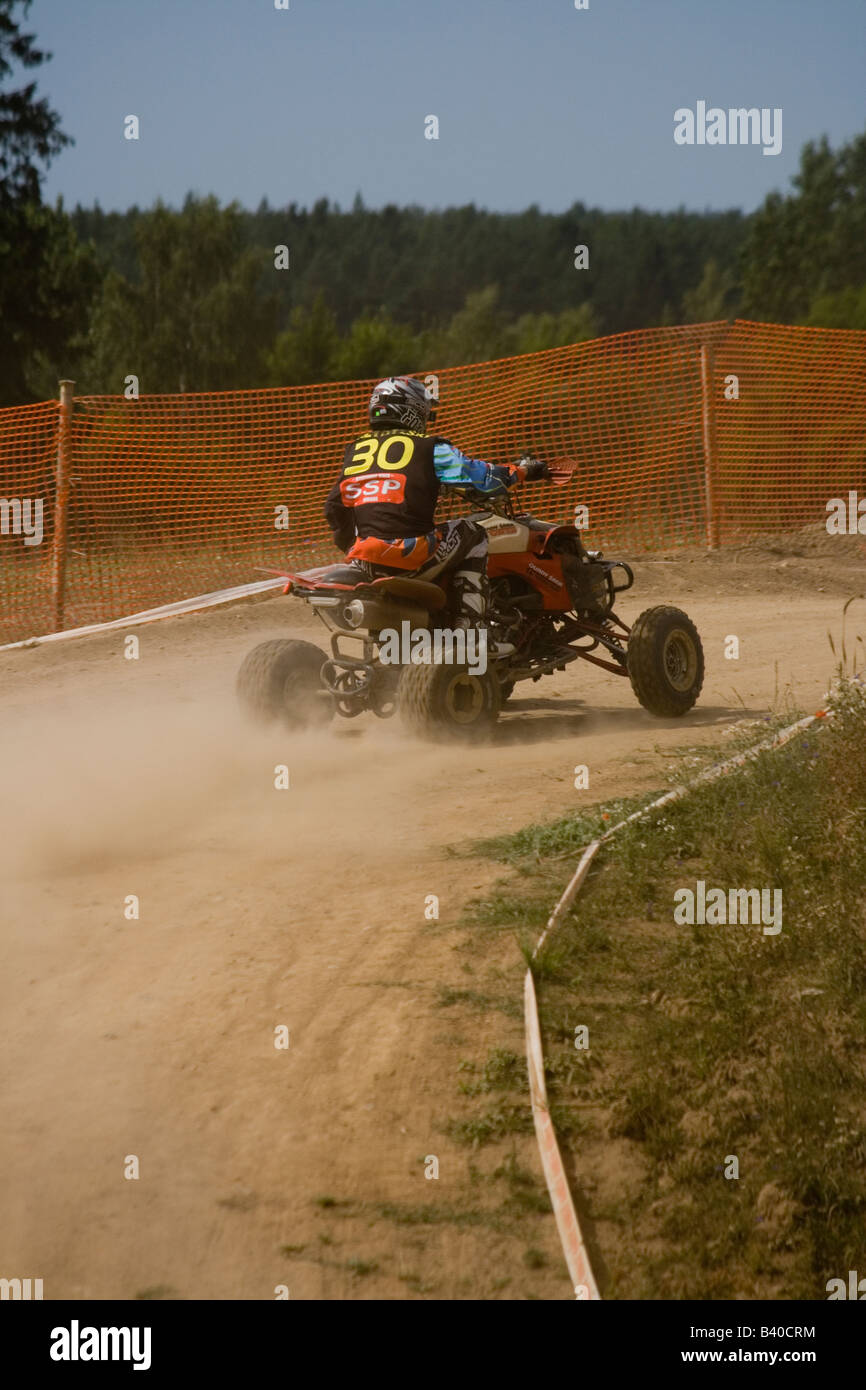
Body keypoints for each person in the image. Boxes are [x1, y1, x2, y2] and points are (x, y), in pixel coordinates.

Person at [323, 376, 550, 643]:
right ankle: (471, 627)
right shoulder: (430, 447)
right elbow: (485, 481)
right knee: (474, 531)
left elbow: (333, 508)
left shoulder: (357, 450)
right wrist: (522, 471)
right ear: (413, 409)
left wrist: (356, 545)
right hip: (411, 553)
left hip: (365, 562)